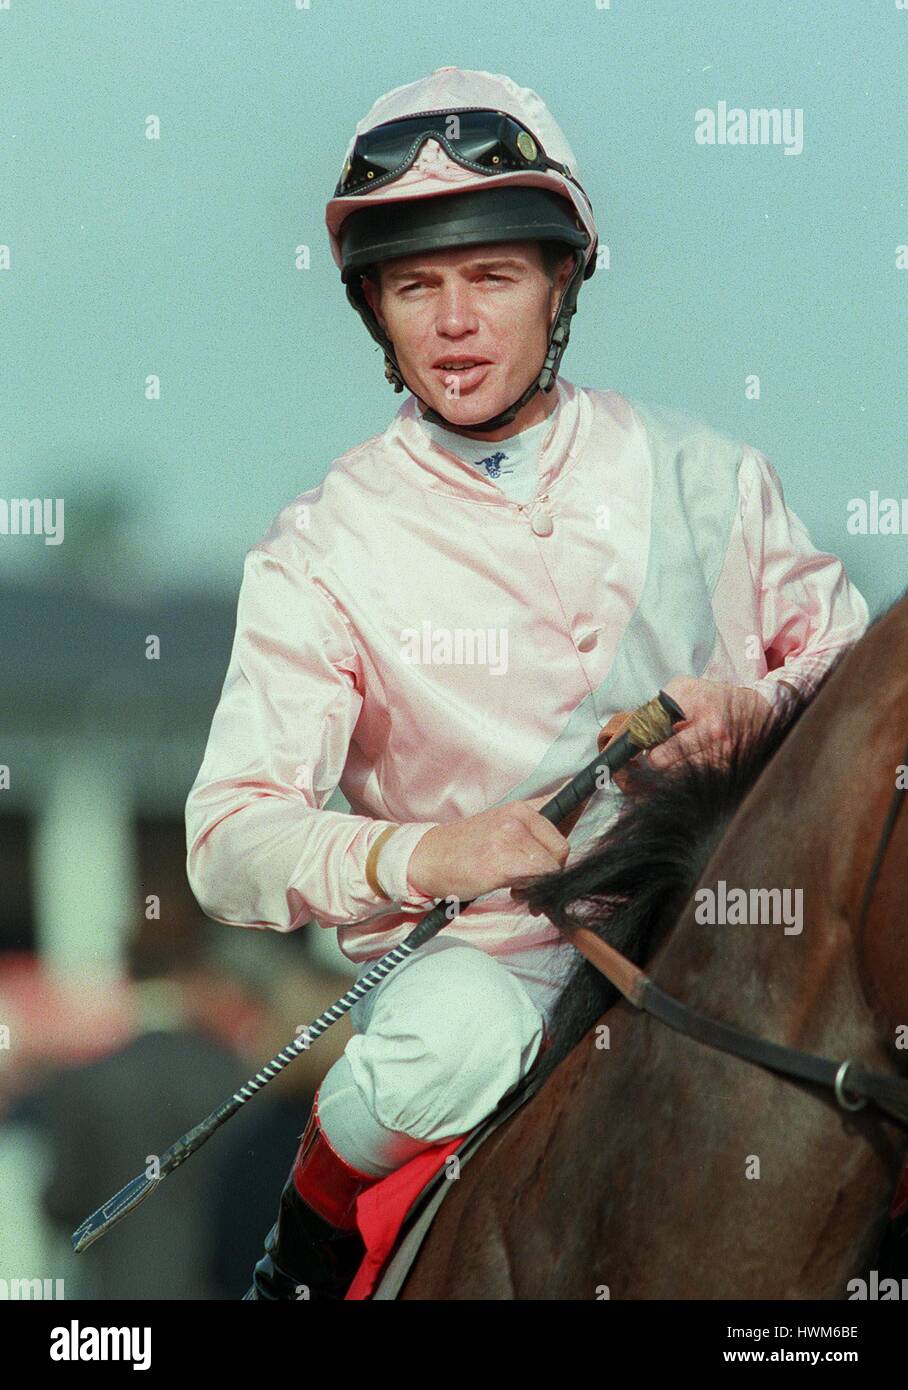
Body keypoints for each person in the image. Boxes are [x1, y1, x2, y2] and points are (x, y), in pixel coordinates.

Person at [184, 67, 869, 1300]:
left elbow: (862, 682)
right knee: (446, 1045)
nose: (453, 323)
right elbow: (227, 840)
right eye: (415, 286)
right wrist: (429, 856)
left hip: (733, 936)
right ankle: (295, 1264)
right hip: (493, 967)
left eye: (490, 277)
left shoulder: (709, 472)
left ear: (560, 284)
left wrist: (756, 706)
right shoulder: (317, 548)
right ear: (372, 309)